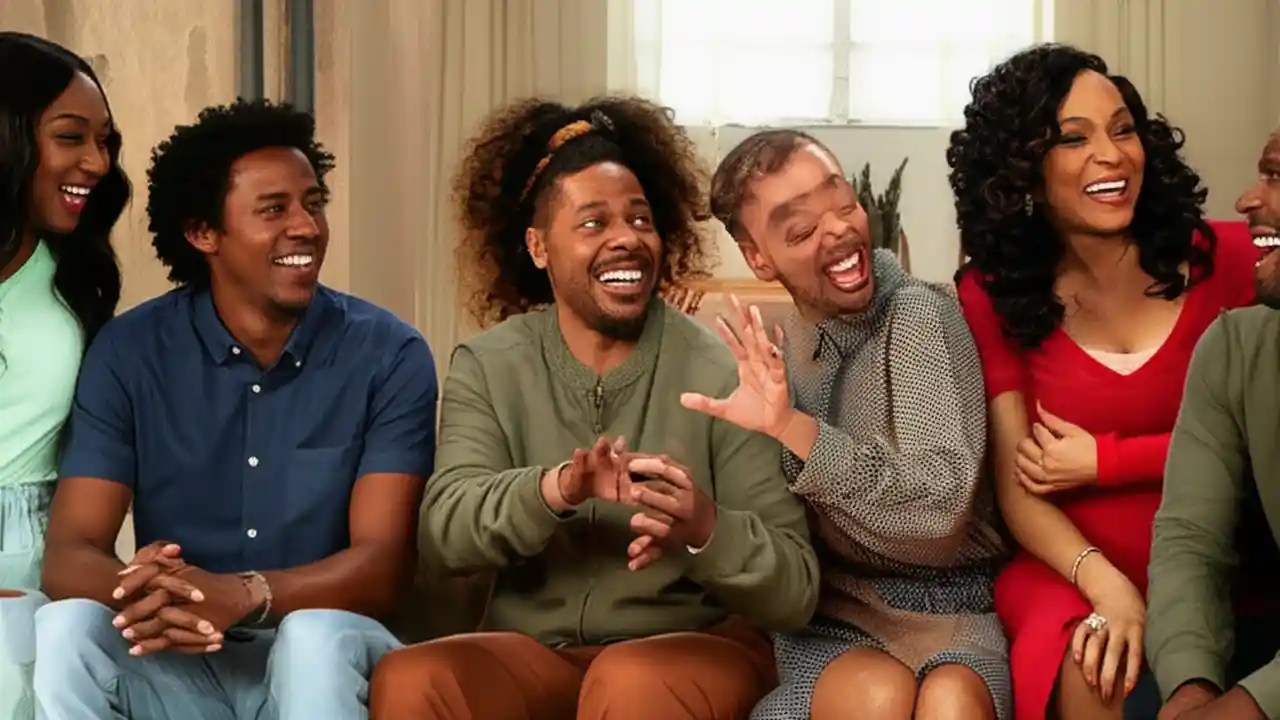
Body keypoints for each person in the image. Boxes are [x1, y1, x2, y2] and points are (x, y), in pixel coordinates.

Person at [368, 96, 820, 719]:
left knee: (632, 679)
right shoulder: (491, 364)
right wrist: (556, 489)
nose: (626, 240)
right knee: (414, 677)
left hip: (692, 647)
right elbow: (445, 535)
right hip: (536, 653)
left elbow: (795, 588)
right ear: (538, 246)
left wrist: (702, 527)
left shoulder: (719, 371)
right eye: (593, 224)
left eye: (640, 220)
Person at [32, 98, 438, 720]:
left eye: (313, 203)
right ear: (203, 233)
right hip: (180, 656)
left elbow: (382, 566)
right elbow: (70, 552)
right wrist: (156, 593)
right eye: (274, 209)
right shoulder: (132, 352)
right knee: (67, 629)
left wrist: (246, 594)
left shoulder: (388, 354)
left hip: (323, 655)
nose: (306, 226)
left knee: (312, 639)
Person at [949, 44, 1259, 720]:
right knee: (1094, 655)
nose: (1112, 155)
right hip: (1071, 566)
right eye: (1073, 138)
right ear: (1024, 173)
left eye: (1124, 129)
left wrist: (1105, 459)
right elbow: (1017, 485)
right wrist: (1108, 587)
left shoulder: (1233, 260)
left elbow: (1256, 449)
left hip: (1217, 571)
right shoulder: (990, 291)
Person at [697, 129, 1010, 720]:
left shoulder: (918, 314)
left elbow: (936, 514)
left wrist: (793, 428)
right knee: (868, 698)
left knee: (951, 705)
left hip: (952, 611)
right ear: (760, 259)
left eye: (842, 204)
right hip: (831, 626)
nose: (838, 230)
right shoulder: (779, 355)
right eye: (802, 229)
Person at [0, 31, 127, 719]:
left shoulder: (78, 278)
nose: (97, 162)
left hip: (43, 561)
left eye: (104, 140)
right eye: (71, 137)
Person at [1146, 130, 1280, 720]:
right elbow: (1191, 542)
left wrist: (1246, 708)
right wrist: (1188, 686)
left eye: (1275, 176)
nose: (1248, 200)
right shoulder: (1234, 348)